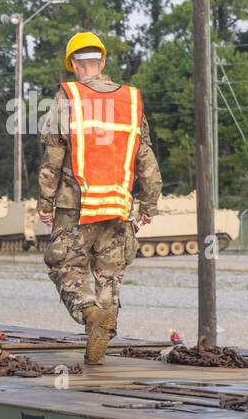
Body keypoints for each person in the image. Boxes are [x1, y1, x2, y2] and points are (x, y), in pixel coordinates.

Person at [38, 31, 162, 364]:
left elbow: (53, 157)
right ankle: (100, 342)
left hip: (75, 206)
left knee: (64, 265)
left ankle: (91, 315)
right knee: (110, 277)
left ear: (74, 66)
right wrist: (149, 203)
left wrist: (45, 203)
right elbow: (145, 155)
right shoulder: (132, 101)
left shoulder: (67, 98)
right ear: (102, 62)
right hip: (118, 205)